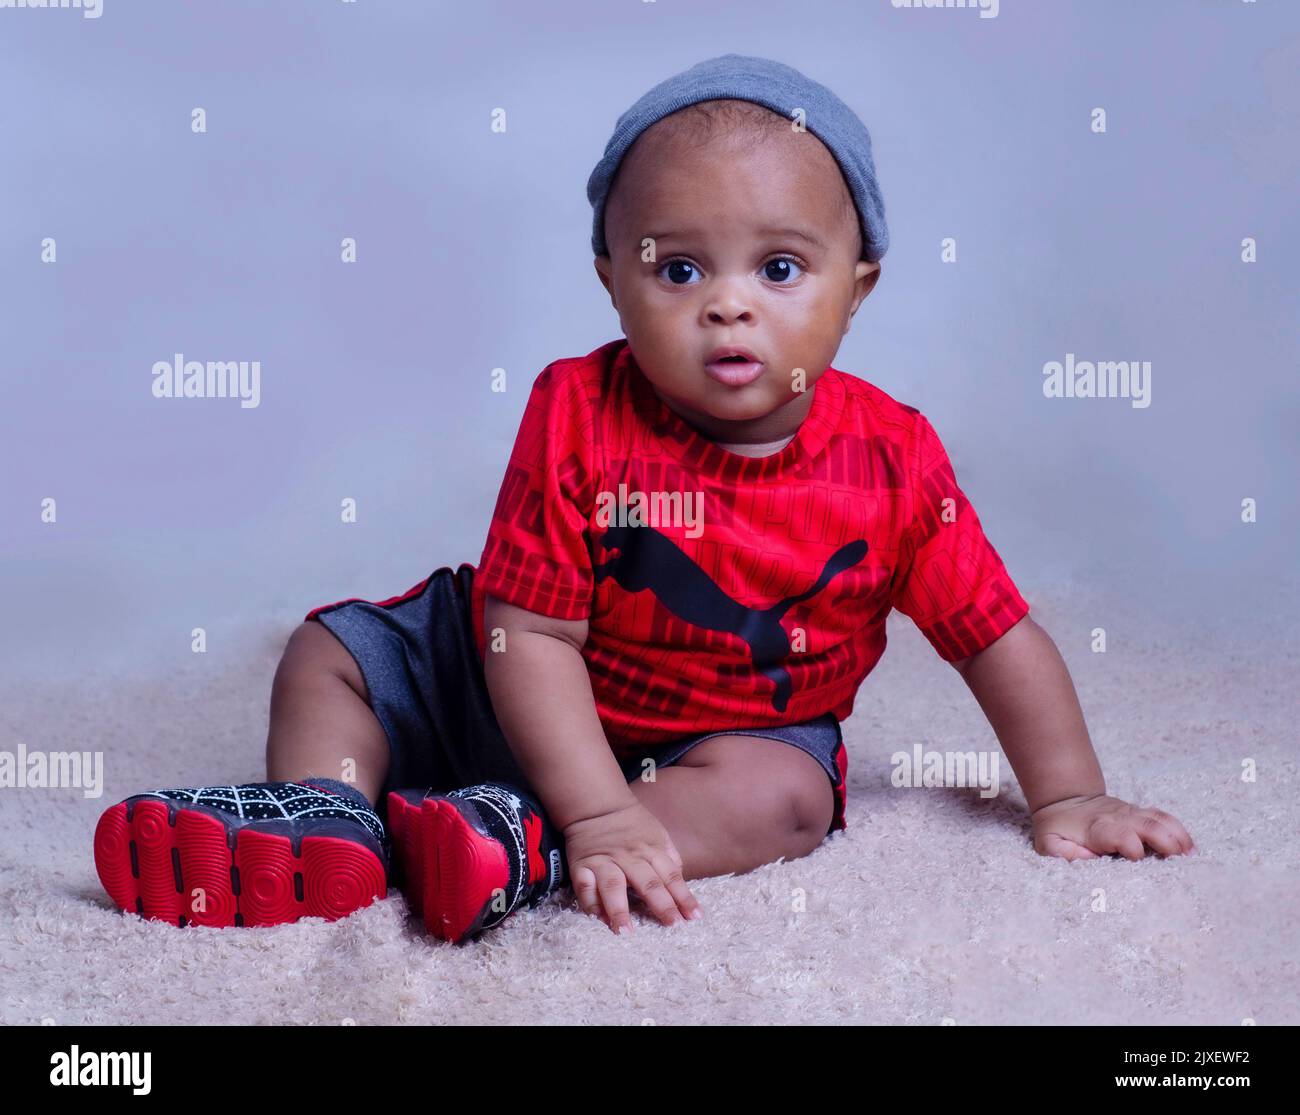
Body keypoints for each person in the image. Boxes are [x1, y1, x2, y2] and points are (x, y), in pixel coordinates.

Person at [93, 53, 1194, 944]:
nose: (726, 308)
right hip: (512, 681)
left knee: (790, 799)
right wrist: (596, 798)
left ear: (856, 290)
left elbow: (996, 635)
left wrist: (1066, 794)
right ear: (610, 275)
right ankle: (328, 815)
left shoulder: (893, 456)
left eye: (778, 269)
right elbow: (524, 634)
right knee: (332, 653)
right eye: (677, 271)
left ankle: (509, 839)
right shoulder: (578, 408)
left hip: (726, 730)